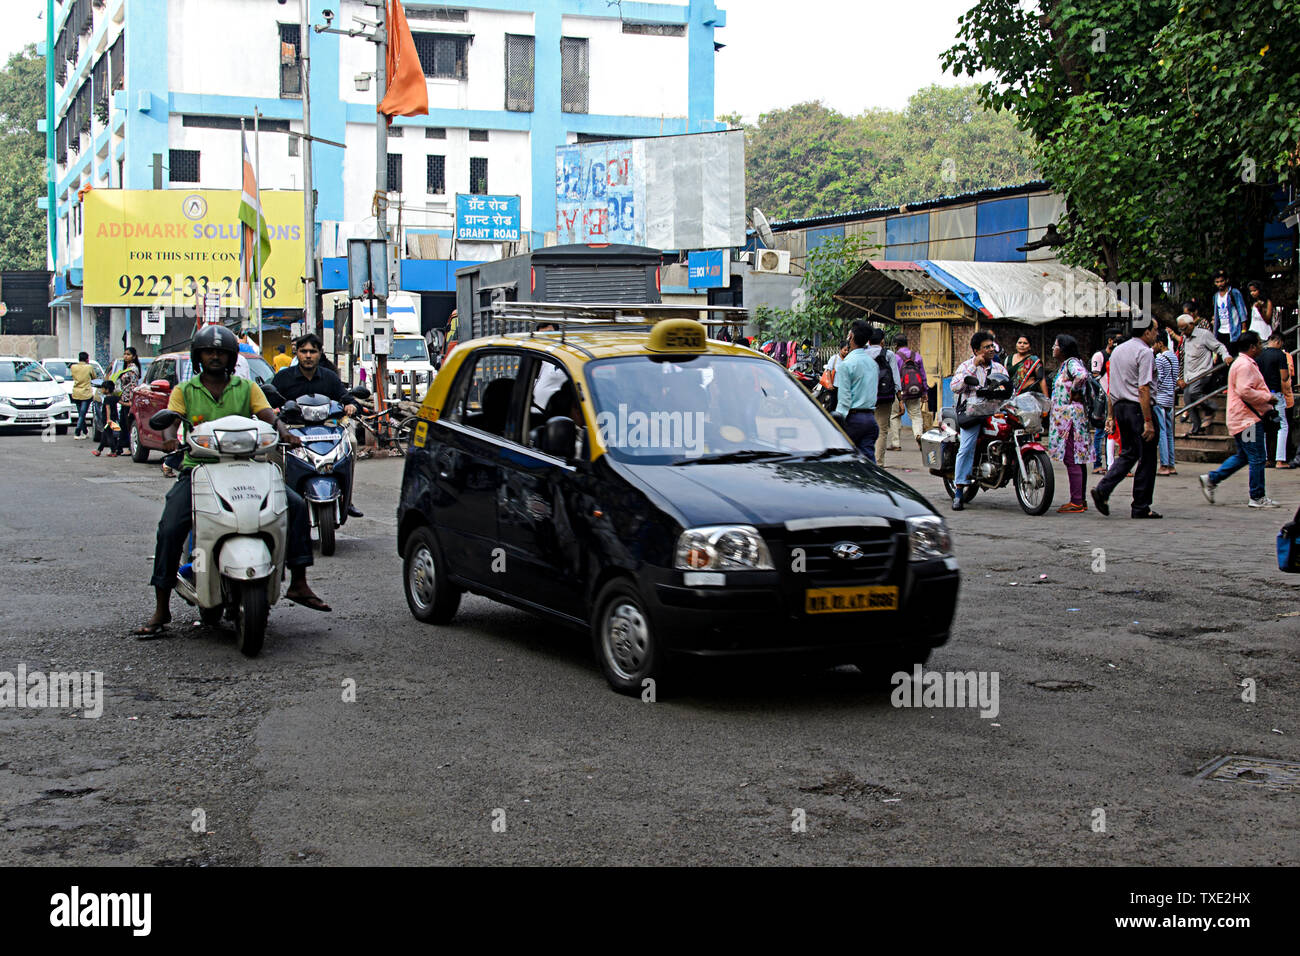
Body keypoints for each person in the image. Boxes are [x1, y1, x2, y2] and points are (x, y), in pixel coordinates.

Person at [133, 325, 330, 637]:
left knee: (292, 503)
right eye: (209, 352)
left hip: (246, 467)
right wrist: (169, 439)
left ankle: (299, 582)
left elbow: (267, 414)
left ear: (231, 357)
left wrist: (284, 431)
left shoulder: (245, 387)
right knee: (170, 527)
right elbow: (171, 419)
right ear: (199, 357)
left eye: (221, 352)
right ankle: (161, 607)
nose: (215, 356)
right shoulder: (185, 390)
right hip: (199, 469)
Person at [272, 333, 363, 518]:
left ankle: (347, 498)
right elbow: (267, 400)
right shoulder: (283, 377)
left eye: (312, 351)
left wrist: (351, 405)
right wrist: (273, 410)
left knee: (351, 441)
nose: (308, 355)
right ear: (296, 353)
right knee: (271, 451)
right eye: (303, 351)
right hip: (291, 429)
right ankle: (274, 498)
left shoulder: (329, 377)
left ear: (320, 353)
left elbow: (345, 396)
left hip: (326, 428)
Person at [1198, 331, 1280, 509]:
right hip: (1247, 421)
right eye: (1259, 343)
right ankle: (1257, 496)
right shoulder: (1244, 365)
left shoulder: (1243, 363)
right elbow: (1245, 391)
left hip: (1242, 419)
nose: (1261, 346)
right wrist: (1267, 398)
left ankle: (1212, 479)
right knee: (1257, 456)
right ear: (1252, 347)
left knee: (1244, 455)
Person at [1091, 321, 1161, 519]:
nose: (1156, 334)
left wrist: (1112, 415)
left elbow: (1112, 385)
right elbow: (1143, 388)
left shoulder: (1118, 351)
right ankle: (1141, 505)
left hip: (1121, 406)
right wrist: (1148, 420)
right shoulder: (1145, 352)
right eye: (1155, 330)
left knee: (1129, 453)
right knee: (1147, 457)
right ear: (1146, 332)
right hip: (1138, 407)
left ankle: (1104, 488)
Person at [950, 330, 1008, 511]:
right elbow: (955, 386)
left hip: (995, 411)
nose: (991, 349)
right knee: (966, 447)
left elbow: (1008, 389)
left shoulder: (999, 368)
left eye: (992, 346)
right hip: (973, 412)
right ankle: (959, 490)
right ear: (976, 350)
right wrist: (973, 366)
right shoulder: (966, 366)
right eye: (986, 347)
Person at [1047, 334, 1094, 512]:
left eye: (1055, 345)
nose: (1053, 348)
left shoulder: (1071, 364)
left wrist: (1074, 390)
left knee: (1071, 457)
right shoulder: (1067, 365)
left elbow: (1082, 376)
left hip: (1069, 418)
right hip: (1071, 416)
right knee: (1077, 457)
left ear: (1063, 349)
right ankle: (1080, 499)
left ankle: (1076, 501)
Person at [1177, 306, 1232, 436]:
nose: (1183, 332)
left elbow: (1219, 346)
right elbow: (1184, 359)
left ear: (1191, 324)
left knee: (1194, 392)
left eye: (1184, 329)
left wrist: (1226, 356)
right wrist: (1181, 378)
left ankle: (1210, 406)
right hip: (1190, 375)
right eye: (1180, 330)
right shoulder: (1185, 338)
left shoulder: (1204, 334)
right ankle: (1197, 427)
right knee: (1188, 400)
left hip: (1203, 372)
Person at [832, 323, 880, 463]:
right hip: (870, 420)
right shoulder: (873, 364)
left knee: (840, 460)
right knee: (868, 463)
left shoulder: (846, 365)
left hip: (852, 420)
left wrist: (838, 421)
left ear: (851, 336)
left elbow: (845, 399)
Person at [865, 327, 901, 465]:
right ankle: (878, 463)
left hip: (866, 396)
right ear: (882, 341)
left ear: (868, 340)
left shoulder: (863, 354)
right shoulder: (889, 354)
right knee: (881, 430)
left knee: (867, 429)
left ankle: (867, 461)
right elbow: (895, 378)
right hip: (885, 397)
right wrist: (899, 396)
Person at [1256, 330, 1291, 469]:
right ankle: (1280, 460)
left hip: (1260, 394)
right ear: (1278, 341)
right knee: (1283, 425)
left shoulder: (1259, 355)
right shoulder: (1280, 355)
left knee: (1263, 426)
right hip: (1275, 394)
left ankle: (1264, 458)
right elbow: (1284, 377)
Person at [1090, 329, 1119, 473]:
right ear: (1110, 341)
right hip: (1103, 398)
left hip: (1113, 396)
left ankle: (1110, 463)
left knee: (1110, 432)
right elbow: (1095, 376)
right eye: (1118, 339)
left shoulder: (1118, 356)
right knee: (1100, 431)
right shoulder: (1100, 355)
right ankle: (1097, 464)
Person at [891, 334, 928, 448]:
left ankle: (895, 443)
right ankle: (918, 435)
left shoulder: (894, 357)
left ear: (896, 345)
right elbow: (922, 375)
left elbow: (893, 375)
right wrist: (924, 391)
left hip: (899, 391)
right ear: (907, 343)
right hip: (914, 391)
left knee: (895, 415)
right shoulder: (917, 356)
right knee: (916, 415)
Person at [1153, 330, 1180, 476]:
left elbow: (1158, 379)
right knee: (1169, 432)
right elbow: (1174, 377)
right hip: (1170, 398)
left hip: (1160, 398)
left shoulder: (1160, 359)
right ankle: (1171, 463)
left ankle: (1164, 464)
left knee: (1162, 431)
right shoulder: (1174, 357)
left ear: (1160, 343)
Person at [1211, 270, 1249, 350]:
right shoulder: (1216, 296)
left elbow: (1242, 312)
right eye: (1217, 282)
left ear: (1226, 280)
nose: (1219, 284)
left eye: (1221, 281)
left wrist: (1244, 330)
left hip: (1234, 331)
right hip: (1221, 331)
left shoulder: (1234, 293)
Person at [116, 346, 143, 442]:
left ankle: (128, 446)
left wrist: (131, 401)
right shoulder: (126, 368)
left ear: (134, 356)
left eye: (128, 354)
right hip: (123, 399)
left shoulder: (133, 369)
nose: (126, 356)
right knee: (123, 423)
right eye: (125, 354)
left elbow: (133, 386)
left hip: (128, 400)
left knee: (127, 424)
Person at [92, 378, 123, 457]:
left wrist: (108, 419)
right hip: (114, 418)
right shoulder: (115, 398)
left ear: (107, 389)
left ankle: (113, 450)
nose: (102, 390)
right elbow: (122, 403)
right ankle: (99, 450)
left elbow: (107, 409)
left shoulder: (107, 399)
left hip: (107, 419)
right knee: (105, 434)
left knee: (108, 435)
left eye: (103, 389)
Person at [69, 351, 95, 440]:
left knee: (81, 413)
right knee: (82, 414)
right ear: (87, 359)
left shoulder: (73, 367)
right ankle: (77, 431)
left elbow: (73, 376)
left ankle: (85, 432)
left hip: (76, 392)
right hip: (86, 393)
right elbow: (94, 377)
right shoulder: (89, 367)